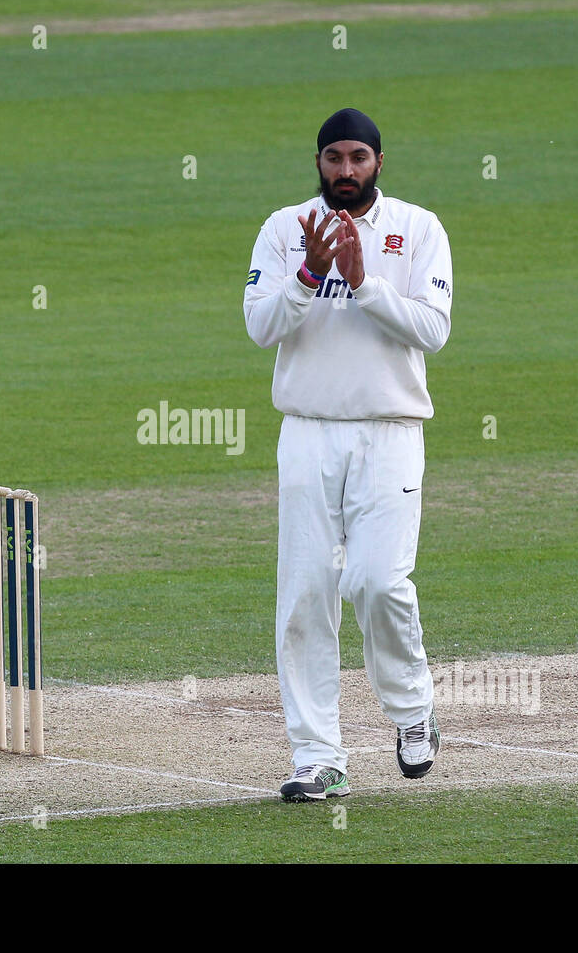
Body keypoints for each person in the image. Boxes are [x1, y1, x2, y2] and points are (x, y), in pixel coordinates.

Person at [243, 108, 453, 801]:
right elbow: (259, 325)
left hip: (390, 433)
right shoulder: (285, 229)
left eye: (358, 157)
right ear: (319, 163)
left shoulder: (418, 229)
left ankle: (411, 709)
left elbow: (433, 328)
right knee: (304, 594)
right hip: (307, 431)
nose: (345, 171)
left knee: (376, 581)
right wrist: (309, 274)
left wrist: (363, 282)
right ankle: (317, 756)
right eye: (334, 158)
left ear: (379, 163)